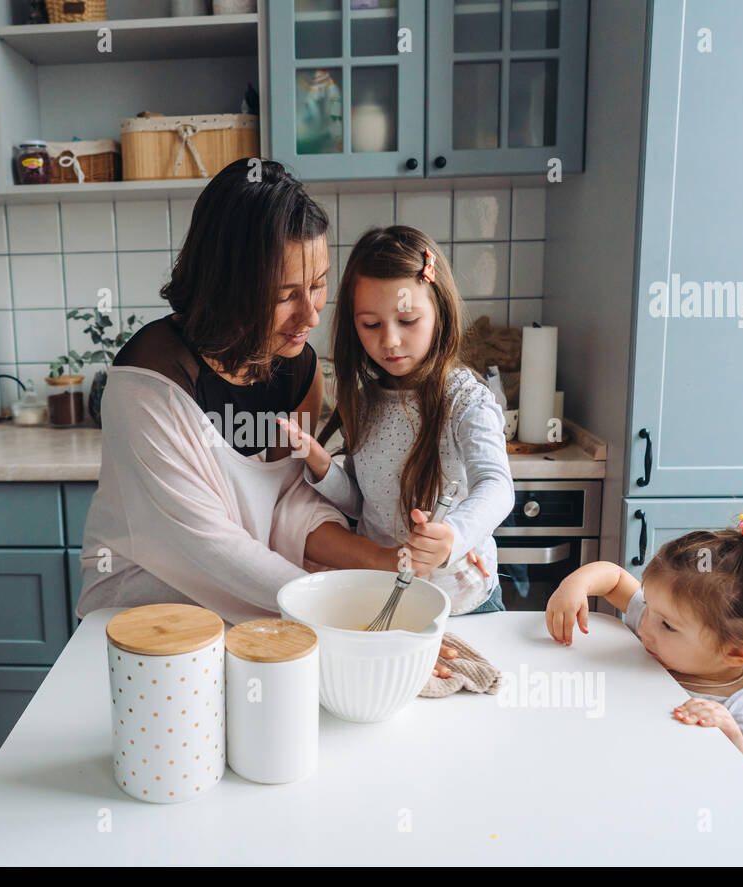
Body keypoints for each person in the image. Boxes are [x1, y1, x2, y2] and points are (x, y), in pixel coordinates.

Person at [75, 158, 355, 625]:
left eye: (319, 285)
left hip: (259, 618)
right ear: (229, 287)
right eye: (286, 295)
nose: (311, 316)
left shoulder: (300, 370)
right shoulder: (150, 385)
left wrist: (371, 566)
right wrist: (340, 614)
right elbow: (208, 542)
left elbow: (288, 500)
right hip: (140, 624)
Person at [277, 226, 515, 616]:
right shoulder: (366, 399)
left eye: (407, 321)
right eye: (371, 325)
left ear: (439, 312)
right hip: (387, 599)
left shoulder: (465, 398)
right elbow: (361, 503)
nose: (389, 341)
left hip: (464, 603)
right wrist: (322, 465)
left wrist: (452, 537)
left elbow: (497, 486)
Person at [543, 502, 743, 785]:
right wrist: (574, 585)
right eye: (648, 604)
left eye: (668, 625)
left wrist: (732, 740)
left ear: (736, 652)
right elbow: (613, 579)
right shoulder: (662, 626)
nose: (644, 625)